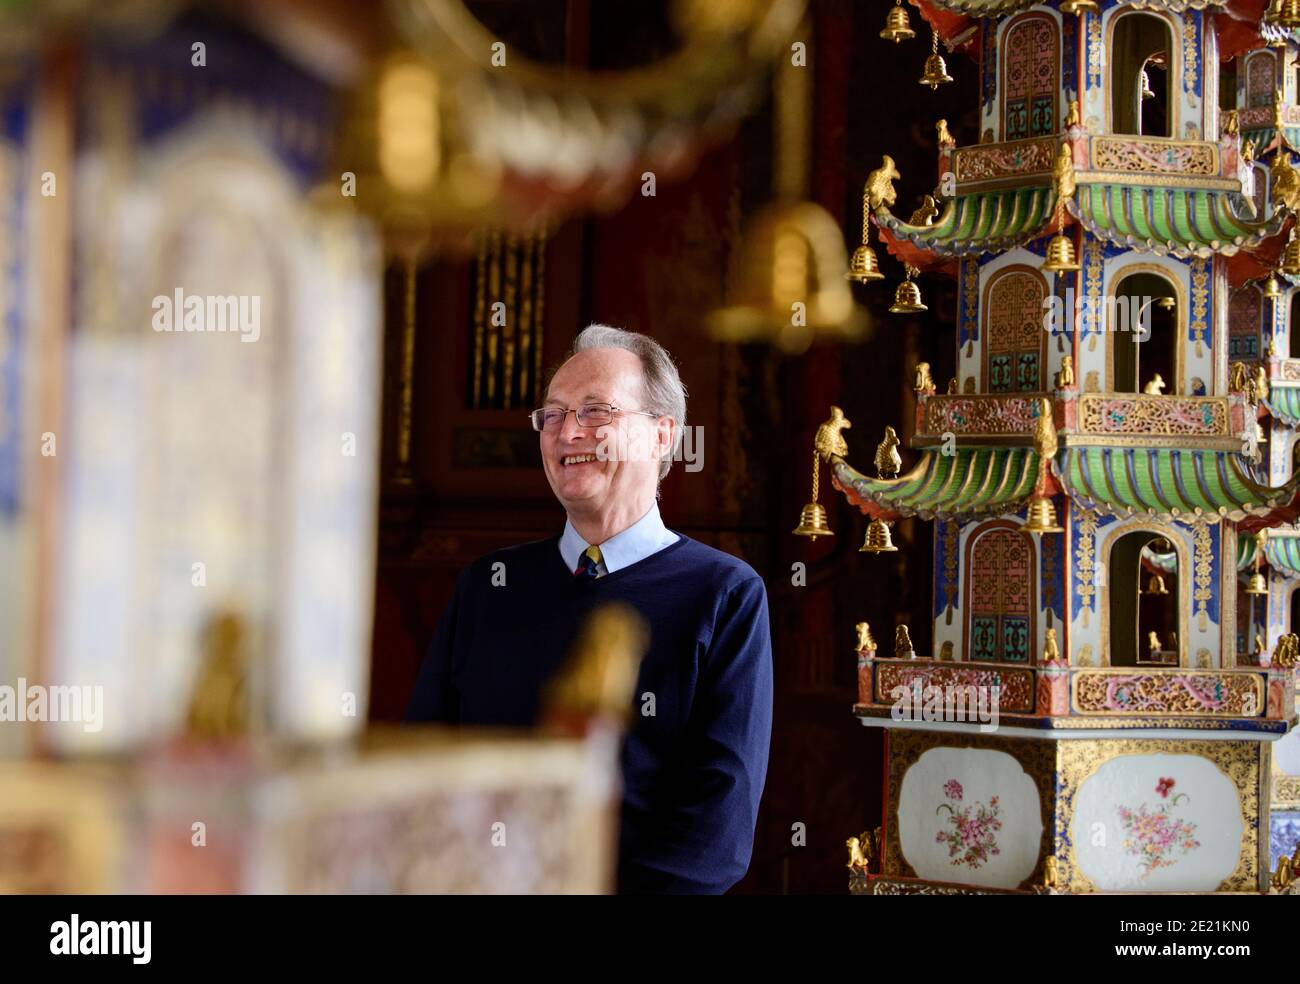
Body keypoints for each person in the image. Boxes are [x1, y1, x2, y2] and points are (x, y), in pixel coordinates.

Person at [406, 323, 773, 894]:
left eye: (596, 411)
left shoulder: (725, 595)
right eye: (551, 415)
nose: (568, 431)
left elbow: (716, 832)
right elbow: (423, 769)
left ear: (661, 435)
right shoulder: (486, 585)